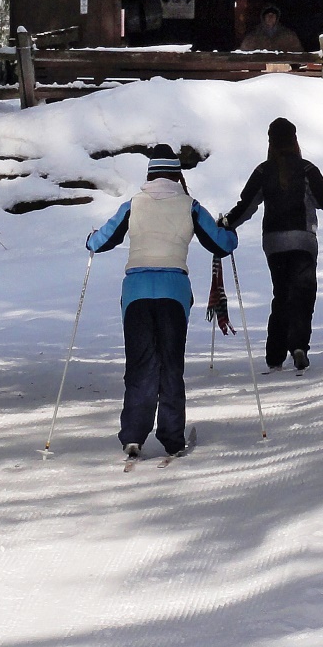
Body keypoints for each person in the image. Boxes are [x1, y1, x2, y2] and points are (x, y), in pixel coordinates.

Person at [86, 148, 236, 459]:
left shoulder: (133, 204)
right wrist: (229, 230)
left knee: (140, 364)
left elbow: (102, 240)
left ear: (150, 174)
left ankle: (133, 435)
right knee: (170, 363)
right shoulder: (190, 206)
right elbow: (220, 243)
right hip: (174, 292)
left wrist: (90, 239)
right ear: (177, 174)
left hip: (137, 292)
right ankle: (171, 436)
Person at [221, 117, 323, 373]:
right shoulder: (307, 169)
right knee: (303, 294)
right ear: (295, 140)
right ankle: (298, 346)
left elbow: (247, 205)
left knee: (282, 294)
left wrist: (227, 223)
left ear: (270, 142)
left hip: (273, 242)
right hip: (303, 240)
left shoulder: (263, 171)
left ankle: (275, 355)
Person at [238, 4, 304, 52]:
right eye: (268, 15)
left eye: (273, 15)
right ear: (263, 18)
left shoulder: (289, 36)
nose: (270, 17)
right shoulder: (252, 38)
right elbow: (244, 53)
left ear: (277, 18)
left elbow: (298, 53)